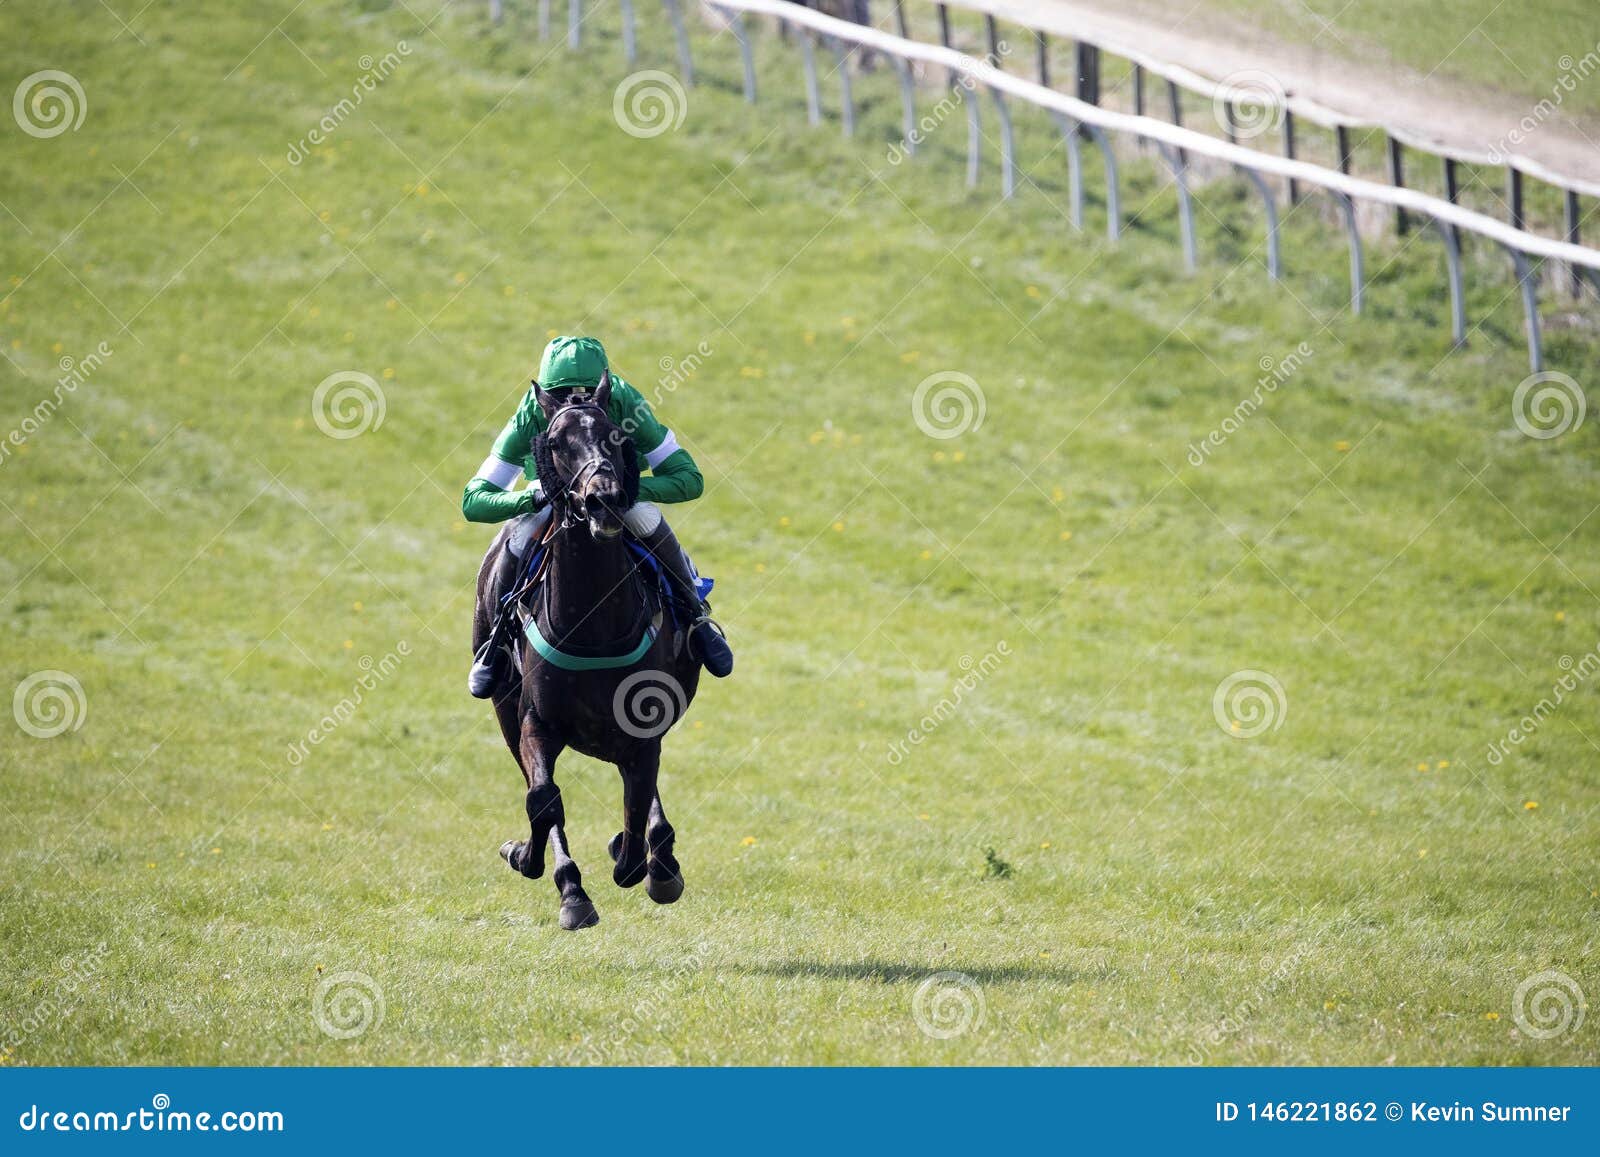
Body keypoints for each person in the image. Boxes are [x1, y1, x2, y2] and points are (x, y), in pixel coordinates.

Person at [462, 336, 733, 697]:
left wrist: (625, 491)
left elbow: (689, 479)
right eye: (561, 397)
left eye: (589, 395)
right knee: (519, 533)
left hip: (614, 491)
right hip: (554, 494)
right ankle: (497, 638)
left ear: (605, 391)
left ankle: (696, 619)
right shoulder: (531, 411)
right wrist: (533, 497)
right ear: (546, 398)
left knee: (645, 518)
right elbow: (474, 500)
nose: (574, 404)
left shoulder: (627, 402)